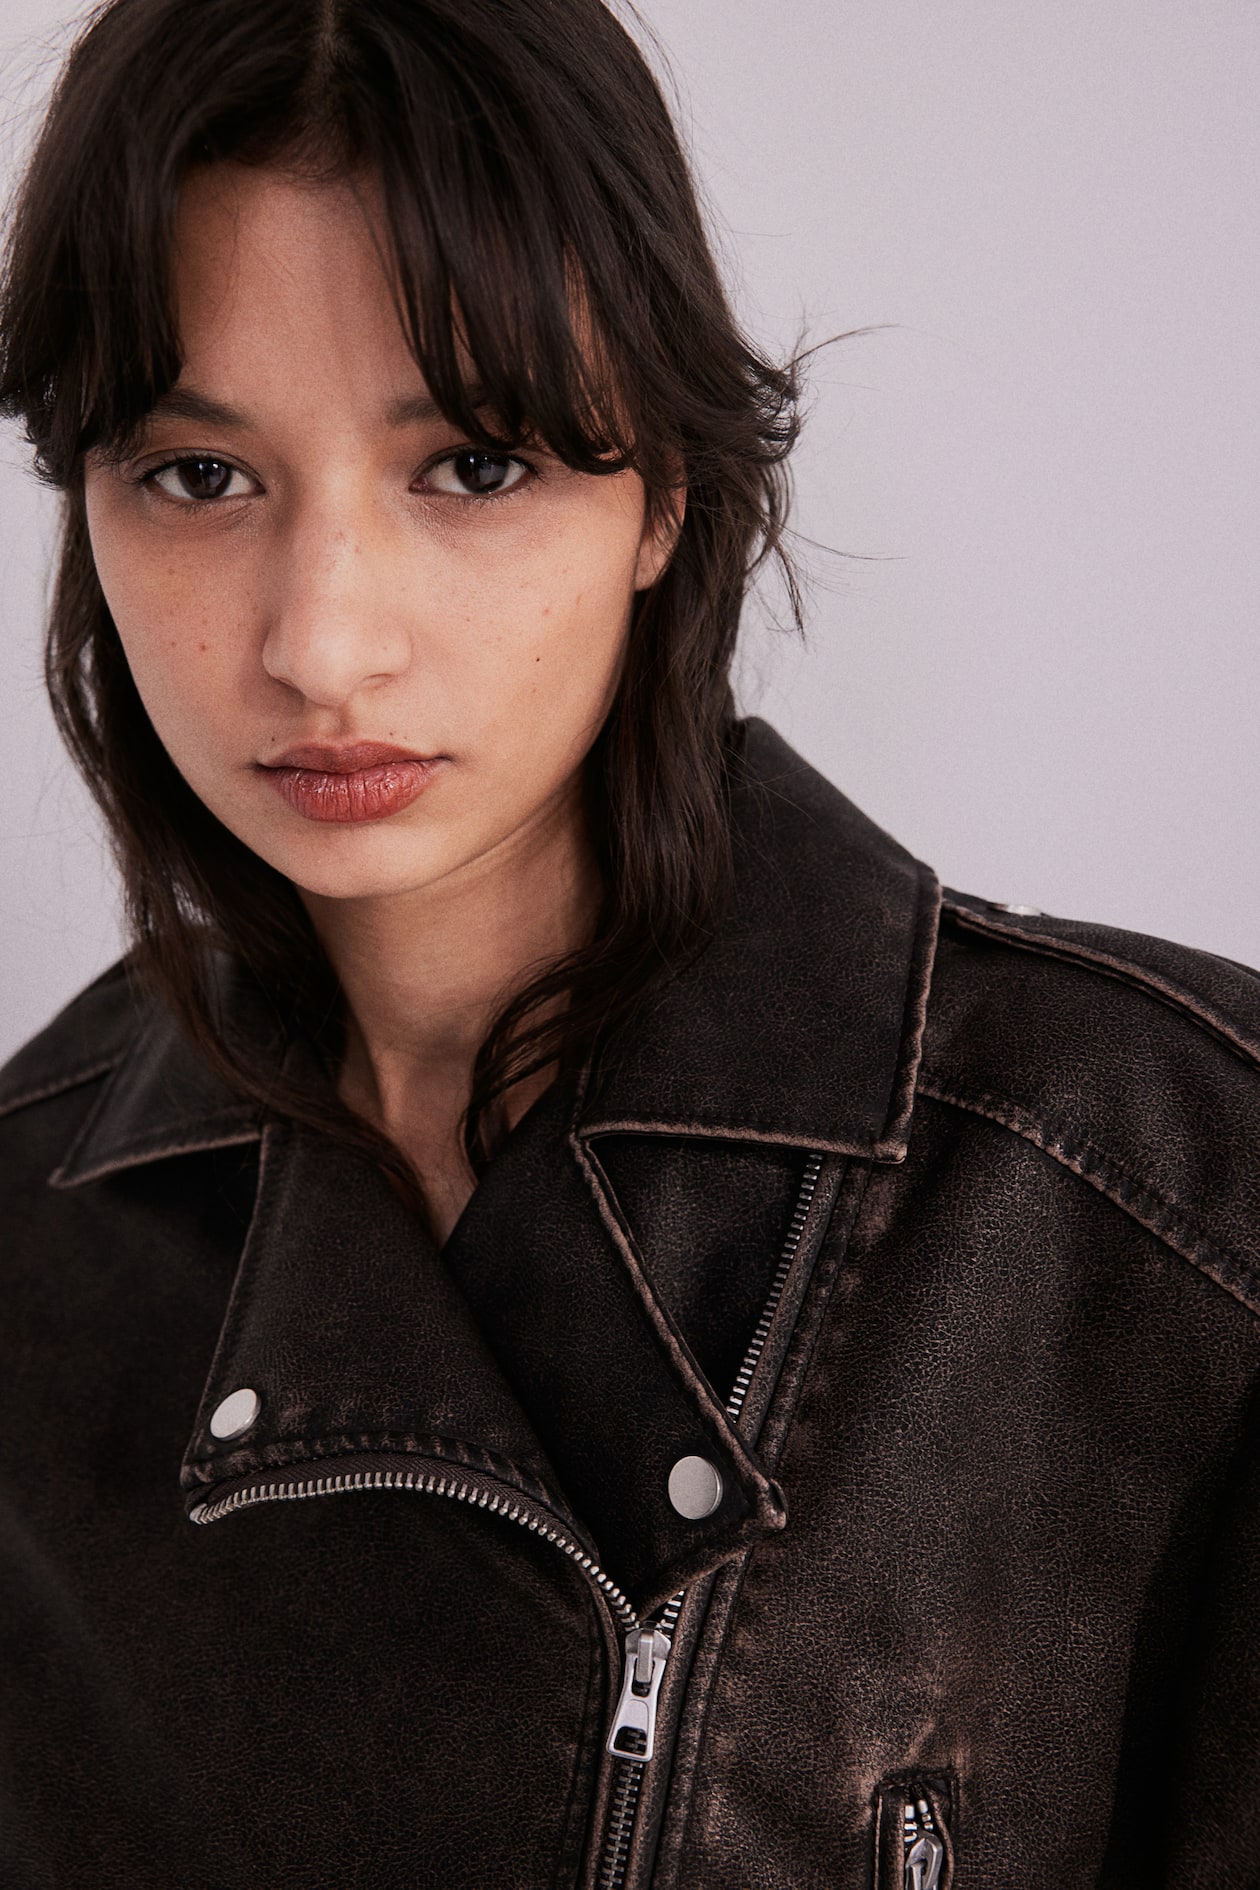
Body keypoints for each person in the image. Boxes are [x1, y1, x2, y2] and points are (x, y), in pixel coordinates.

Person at [0, 1, 1257, 1885]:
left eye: (471, 463)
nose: (323, 643)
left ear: (666, 489)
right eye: (199, 475)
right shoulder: (31, 1259)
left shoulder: (1179, 1202)